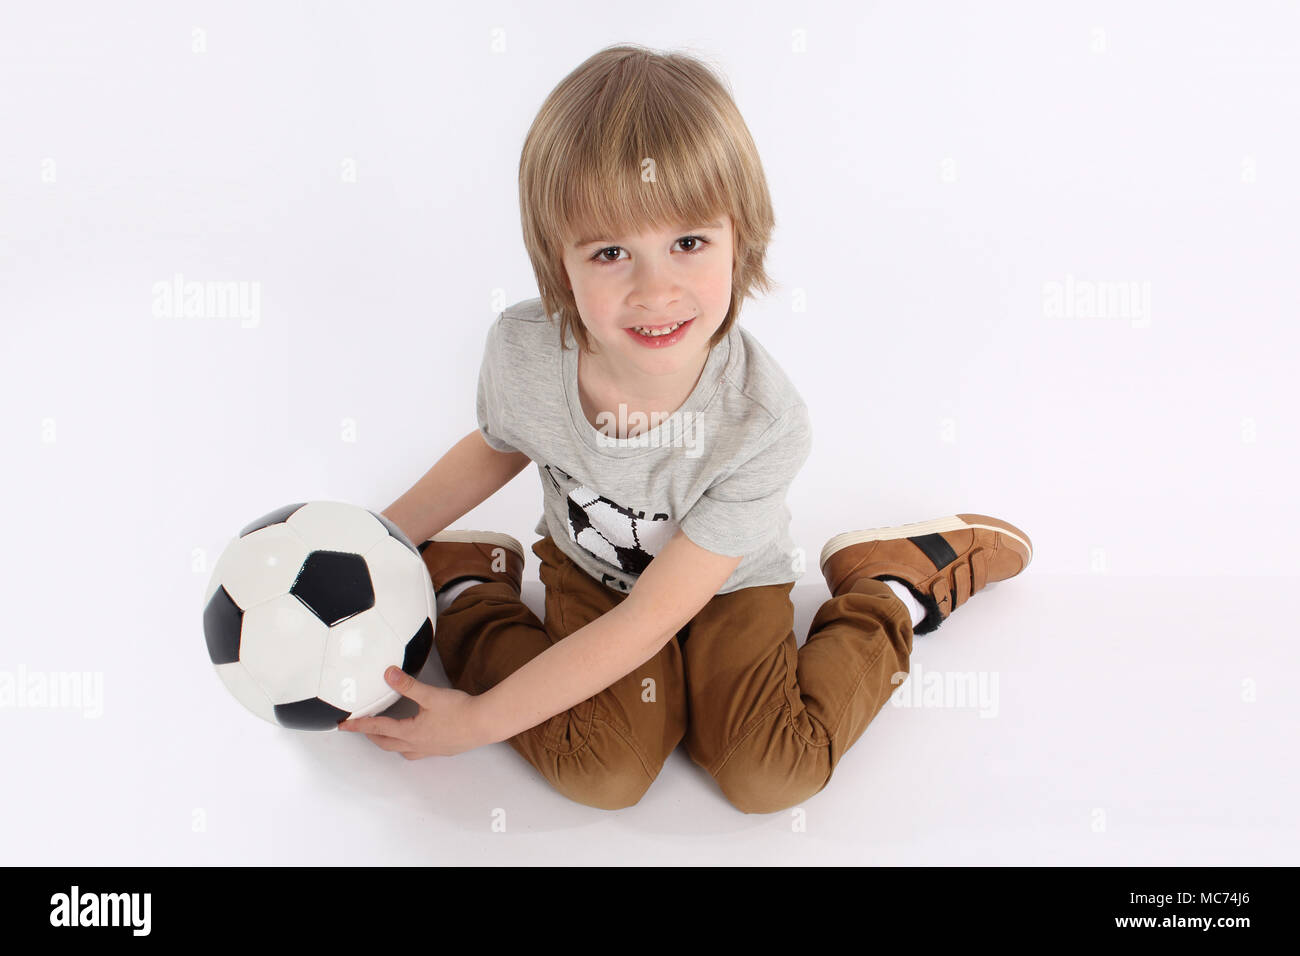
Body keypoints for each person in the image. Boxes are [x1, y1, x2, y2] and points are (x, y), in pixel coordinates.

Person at [337, 43, 1033, 813]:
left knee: (771, 776)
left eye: (689, 243)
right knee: (604, 773)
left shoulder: (763, 423)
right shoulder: (524, 349)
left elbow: (652, 617)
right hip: (591, 575)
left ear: (743, 239)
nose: (655, 289)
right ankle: (464, 582)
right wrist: (378, 543)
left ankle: (890, 588)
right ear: (557, 263)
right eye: (610, 252)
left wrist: (476, 721)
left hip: (729, 585)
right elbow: (501, 444)